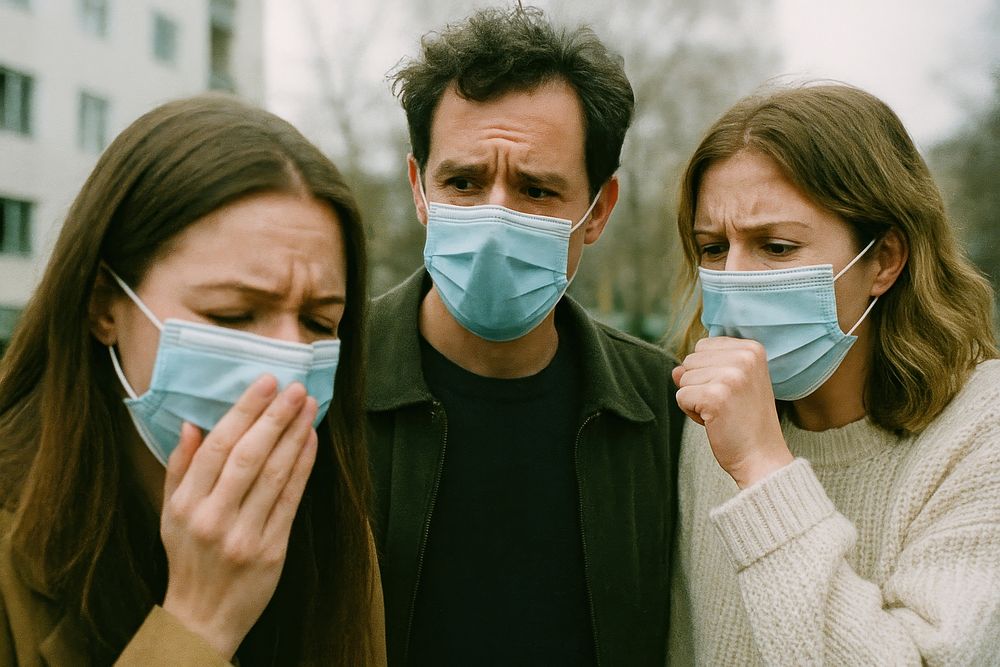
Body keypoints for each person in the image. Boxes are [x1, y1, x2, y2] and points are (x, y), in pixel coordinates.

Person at [0, 95, 386, 665]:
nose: (287, 370)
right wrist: (198, 623)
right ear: (105, 305)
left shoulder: (329, 526)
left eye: (318, 323)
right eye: (232, 314)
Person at [365, 5, 681, 665]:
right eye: (463, 181)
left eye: (537, 190)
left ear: (598, 211)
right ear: (418, 188)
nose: (494, 217)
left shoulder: (663, 411)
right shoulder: (330, 379)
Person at [667, 82, 1000, 664]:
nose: (736, 280)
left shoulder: (981, 434)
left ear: (884, 260)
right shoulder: (704, 423)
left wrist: (763, 470)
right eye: (713, 248)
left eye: (775, 246)